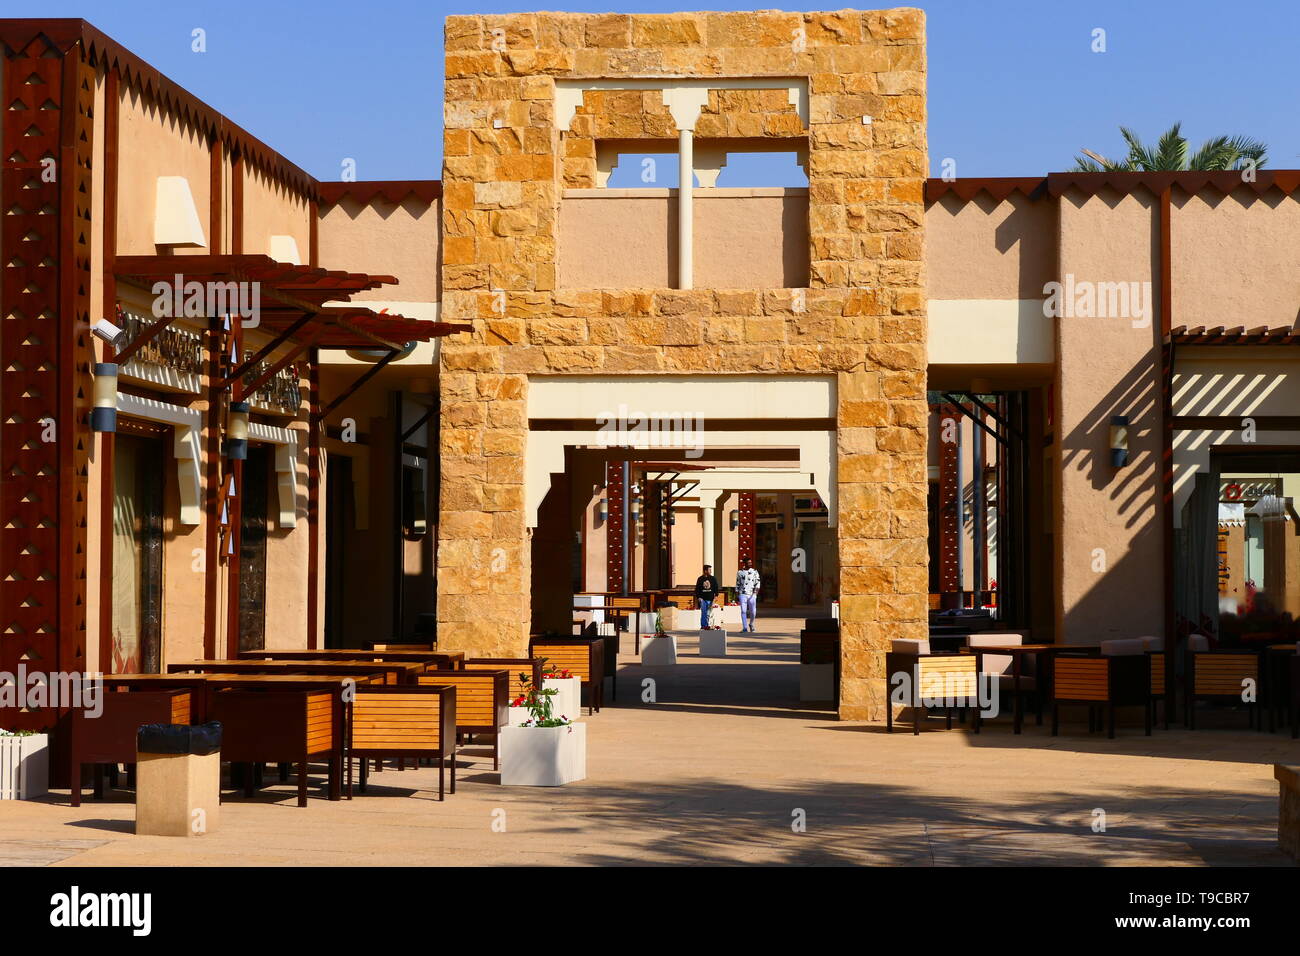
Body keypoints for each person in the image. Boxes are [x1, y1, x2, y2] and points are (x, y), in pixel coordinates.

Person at [736, 558, 761, 632]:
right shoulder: (740, 572)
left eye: (751, 562)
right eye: (748, 562)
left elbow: (758, 582)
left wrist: (755, 593)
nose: (750, 564)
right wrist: (737, 593)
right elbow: (737, 583)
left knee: (753, 611)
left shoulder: (754, 572)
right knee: (743, 611)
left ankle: (751, 624)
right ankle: (745, 627)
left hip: (752, 594)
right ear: (744, 563)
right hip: (742, 594)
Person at [694, 564, 721, 629]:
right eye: (709, 570)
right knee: (704, 613)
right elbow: (697, 589)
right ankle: (704, 626)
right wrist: (698, 597)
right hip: (702, 599)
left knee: (708, 614)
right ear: (705, 571)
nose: (711, 571)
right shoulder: (700, 579)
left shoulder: (713, 579)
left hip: (710, 599)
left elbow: (716, 588)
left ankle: (708, 626)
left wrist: (716, 597)